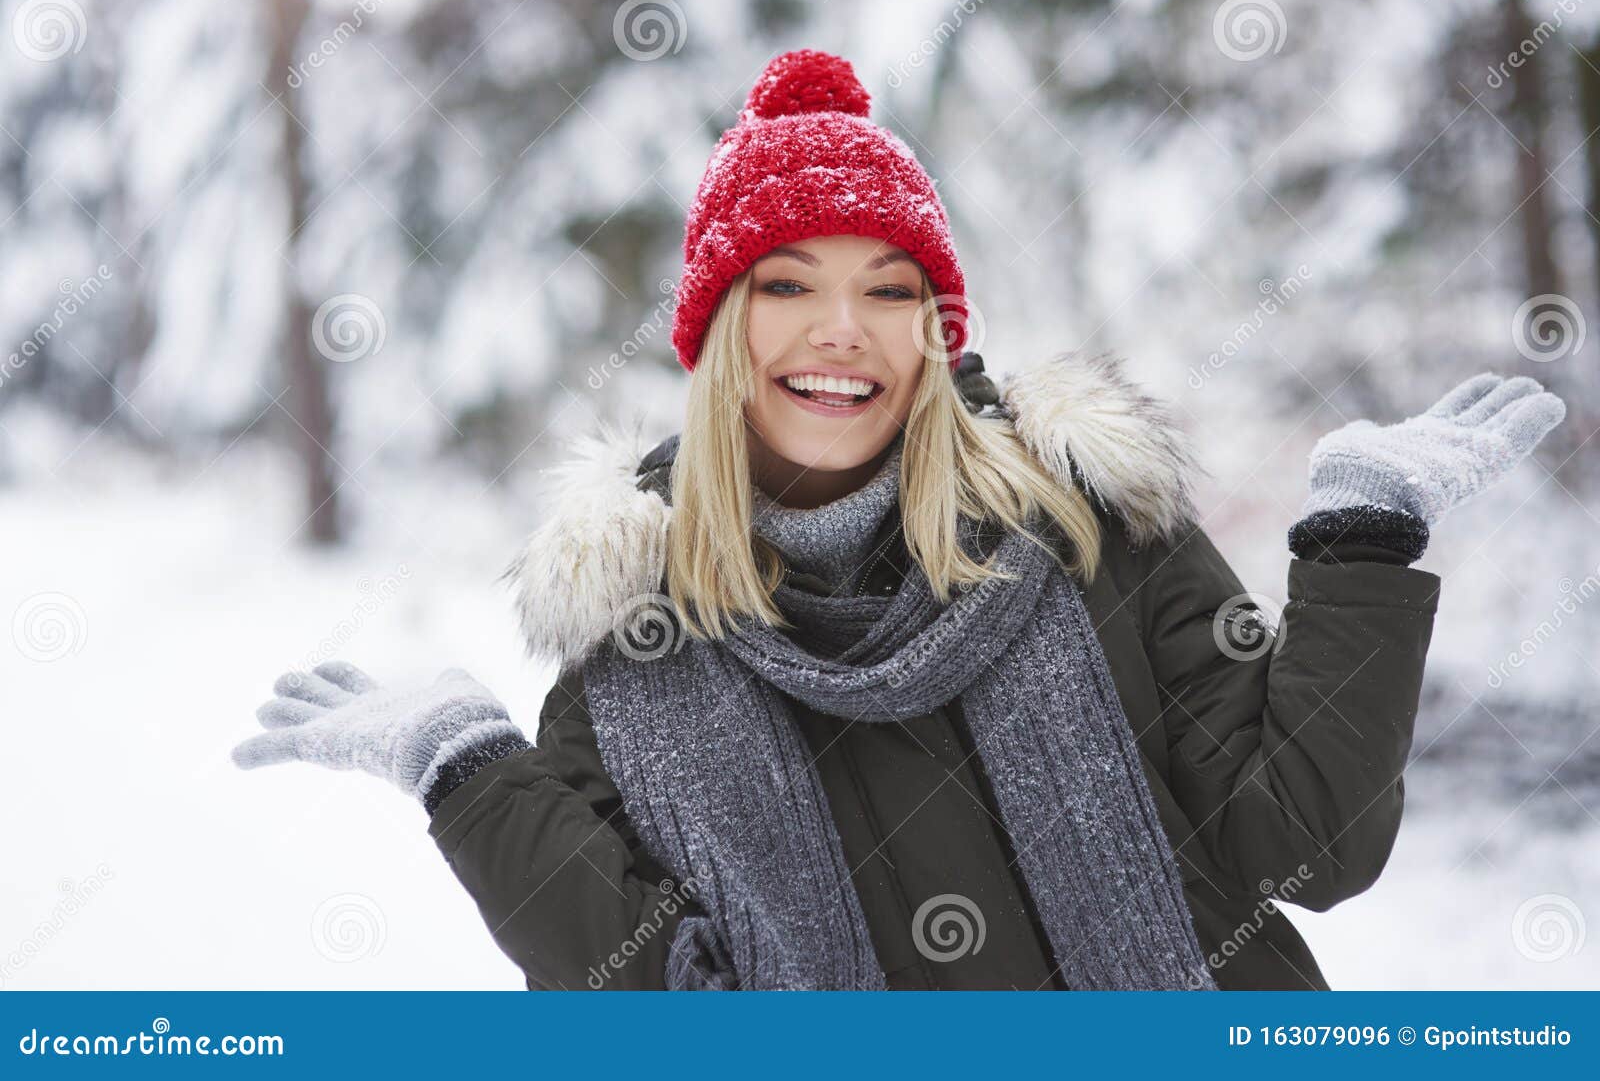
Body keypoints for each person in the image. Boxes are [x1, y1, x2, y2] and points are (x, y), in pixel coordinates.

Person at [232, 48, 1567, 991]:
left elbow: (1310, 844)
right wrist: (466, 769)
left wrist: (1359, 542)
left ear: (935, 330)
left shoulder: (1093, 527)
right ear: (719, 332)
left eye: (889, 289)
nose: (839, 332)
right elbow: (650, 1005)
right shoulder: (633, 646)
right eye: (787, 283)